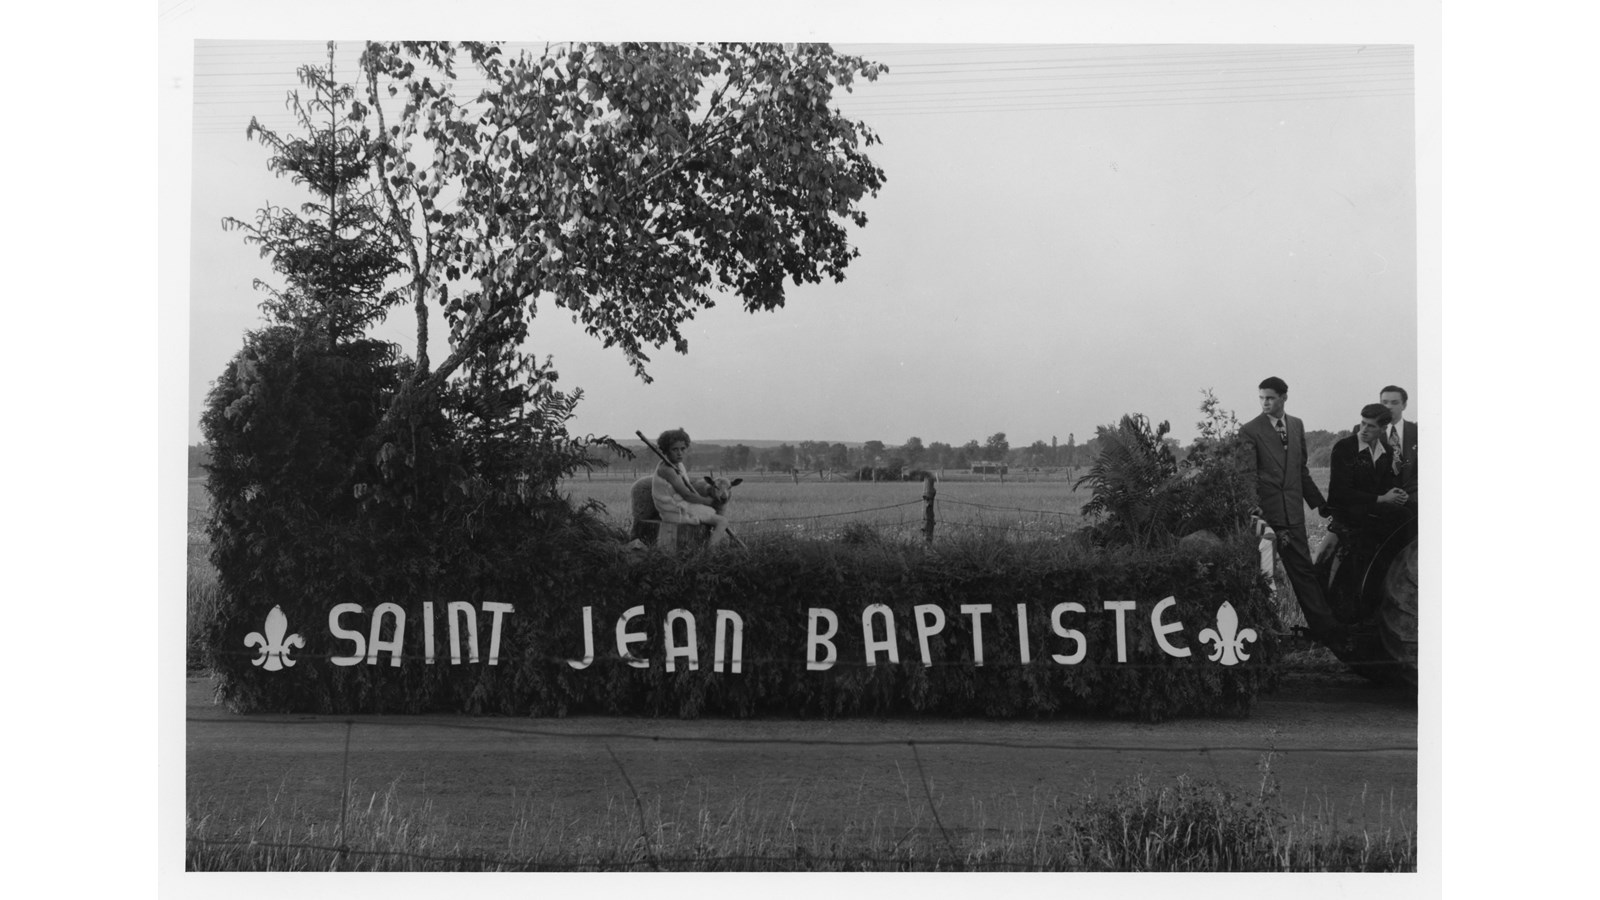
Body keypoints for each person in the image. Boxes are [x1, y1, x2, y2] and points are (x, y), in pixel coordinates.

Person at [1239, 377, 1342, 641]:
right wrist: (1253, 507)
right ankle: (1264, 635)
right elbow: (1247, 474)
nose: (1265, 403)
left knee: (1304, 574)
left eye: (1270, 398)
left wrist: (1320, 504)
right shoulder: (1250, 430)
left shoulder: (1296, 425)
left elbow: (1301, 471)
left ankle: (1327, 632)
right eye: (1261, 397)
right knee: (1263, 577)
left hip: (1293, 514)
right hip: (1265, 517)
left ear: (1284, 397)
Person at [650, 429, 730, 546]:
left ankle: (705, 544)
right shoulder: (667, 470)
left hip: (679, 506)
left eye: (682, 449)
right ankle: (711, 551)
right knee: (722, 521)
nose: (679, 453)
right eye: (674, 449)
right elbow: (686, 494)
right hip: (674, 511)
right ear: (666, 450)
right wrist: (706, 501)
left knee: (711, 513)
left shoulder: (678, 465)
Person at [1378, 384, 1418, 511]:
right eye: (1384, 402)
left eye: (1394, 402)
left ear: (1404, 405)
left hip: (1413, 503)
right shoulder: (1364, 431)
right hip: (1378, 504)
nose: (1388, 406)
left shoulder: (1418, 432)